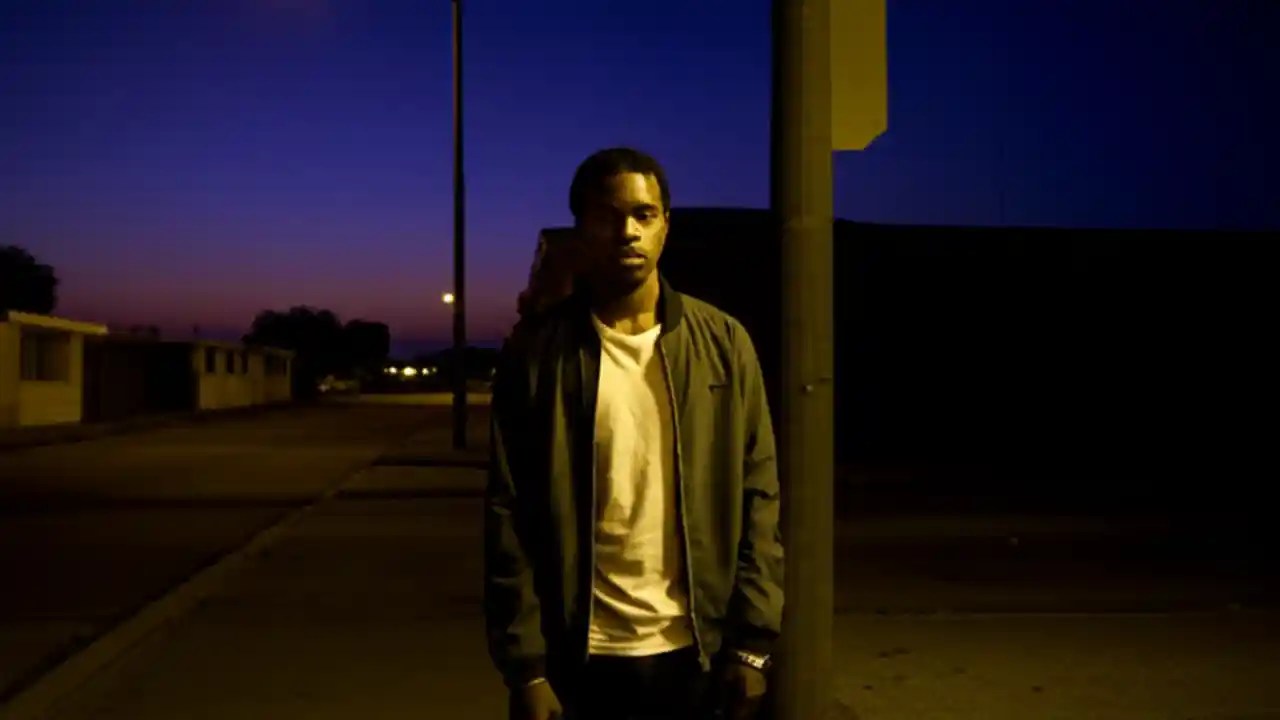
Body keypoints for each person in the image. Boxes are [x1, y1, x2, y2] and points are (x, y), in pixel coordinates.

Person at [485, 147, 784, 720]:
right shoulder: (536, 355)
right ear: (582, 230)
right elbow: (507, 514)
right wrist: (526, 667)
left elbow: (759, 499)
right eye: (608, 215)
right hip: (578, 660)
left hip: (700, 655)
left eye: (645, 215)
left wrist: (752, 647)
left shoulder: (723, 344)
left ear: (666, 226)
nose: (628, 231)